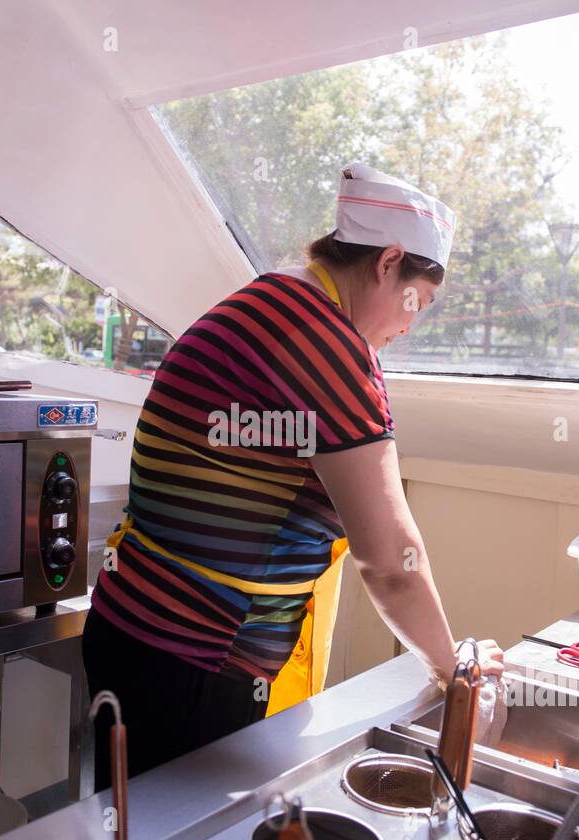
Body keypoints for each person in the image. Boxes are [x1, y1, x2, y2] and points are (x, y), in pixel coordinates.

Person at [83, 162, 503, 789]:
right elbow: (390, 562)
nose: (411, 323)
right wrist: (455, 668)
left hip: (137, 632)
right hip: (193, 656)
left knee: (136, 833)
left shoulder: (271, 298)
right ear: (388, 263)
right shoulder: (323, 341)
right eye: (418, 300)